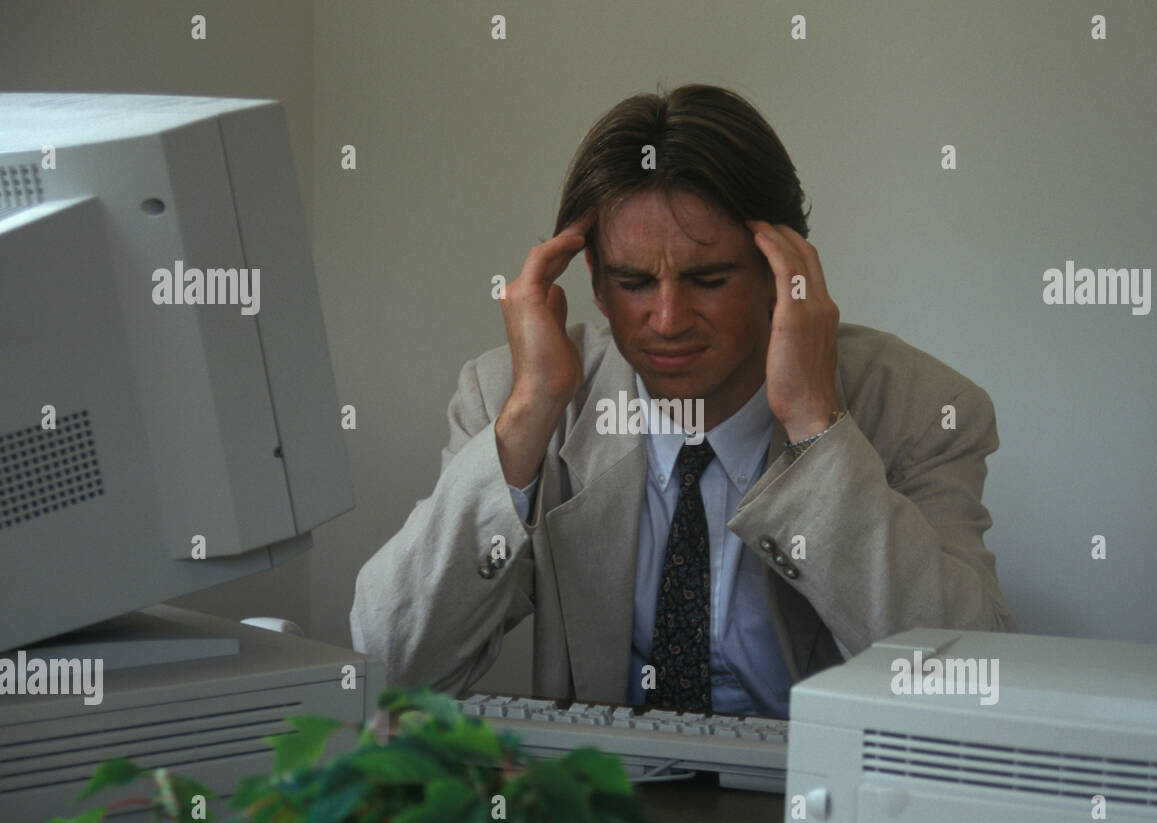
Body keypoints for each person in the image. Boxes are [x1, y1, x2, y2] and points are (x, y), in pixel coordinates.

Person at [350, 83, 1014, 718]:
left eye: (708, 278)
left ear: (782, 274)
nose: (667, 319)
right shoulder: (514, 400)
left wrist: (816, 430)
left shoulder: (923, 408)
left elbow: (968, 684)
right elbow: (388, 665)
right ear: (595, 283)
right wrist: (529, 415)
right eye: (633, 281)